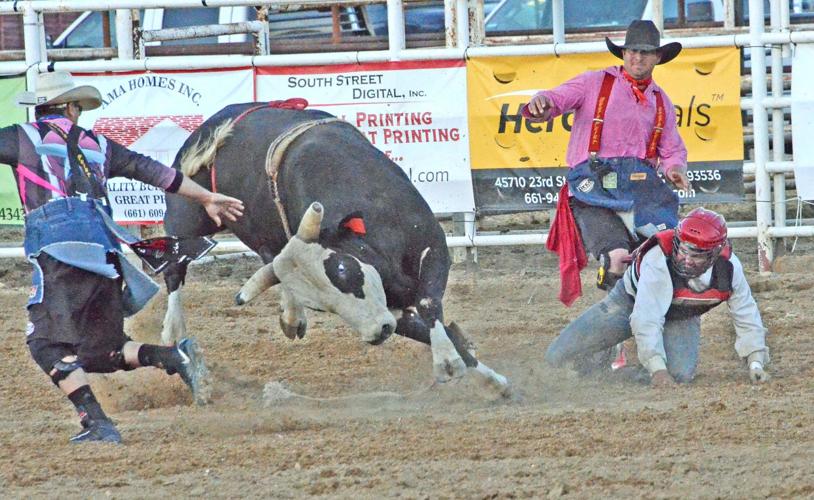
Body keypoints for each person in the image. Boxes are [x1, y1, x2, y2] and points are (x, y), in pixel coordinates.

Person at [1, 71, 245, 444]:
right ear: (71, 108)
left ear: (42, 108)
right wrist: (207, 198)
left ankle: (96, 424)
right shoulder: (100, 144)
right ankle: (175, 357)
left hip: (61, 250)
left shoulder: (20, 138)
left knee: (46, 344)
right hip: (105, 249)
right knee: (101, 351)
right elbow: (160, 174)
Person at [522, 20, 691, 306]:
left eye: (645, 52)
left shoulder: (661, 101)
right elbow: (557, 99)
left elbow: (671, 149)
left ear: (657, 57)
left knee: (664, 261)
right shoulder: (594, 82)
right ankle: (612, 333)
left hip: (639, 192)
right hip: (593, 193)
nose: (637, 57)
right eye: (632, 51)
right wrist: (542, 102)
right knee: (617, 258)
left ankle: (638, 324)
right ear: (623, 54)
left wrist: (675, 168)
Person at [544, 208, 771, 387]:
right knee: (556, 357)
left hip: (682, 314)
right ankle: (604, 361)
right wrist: (658, 370)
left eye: (697, 255)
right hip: (628, 303)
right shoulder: (658, 258)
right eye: (683, 250)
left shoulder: (730, 269)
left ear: (714, 253)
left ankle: (622, 377)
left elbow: (746, 314)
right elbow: (646, 318)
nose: (686, 260)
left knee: (680, 375)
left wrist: (755, 362)